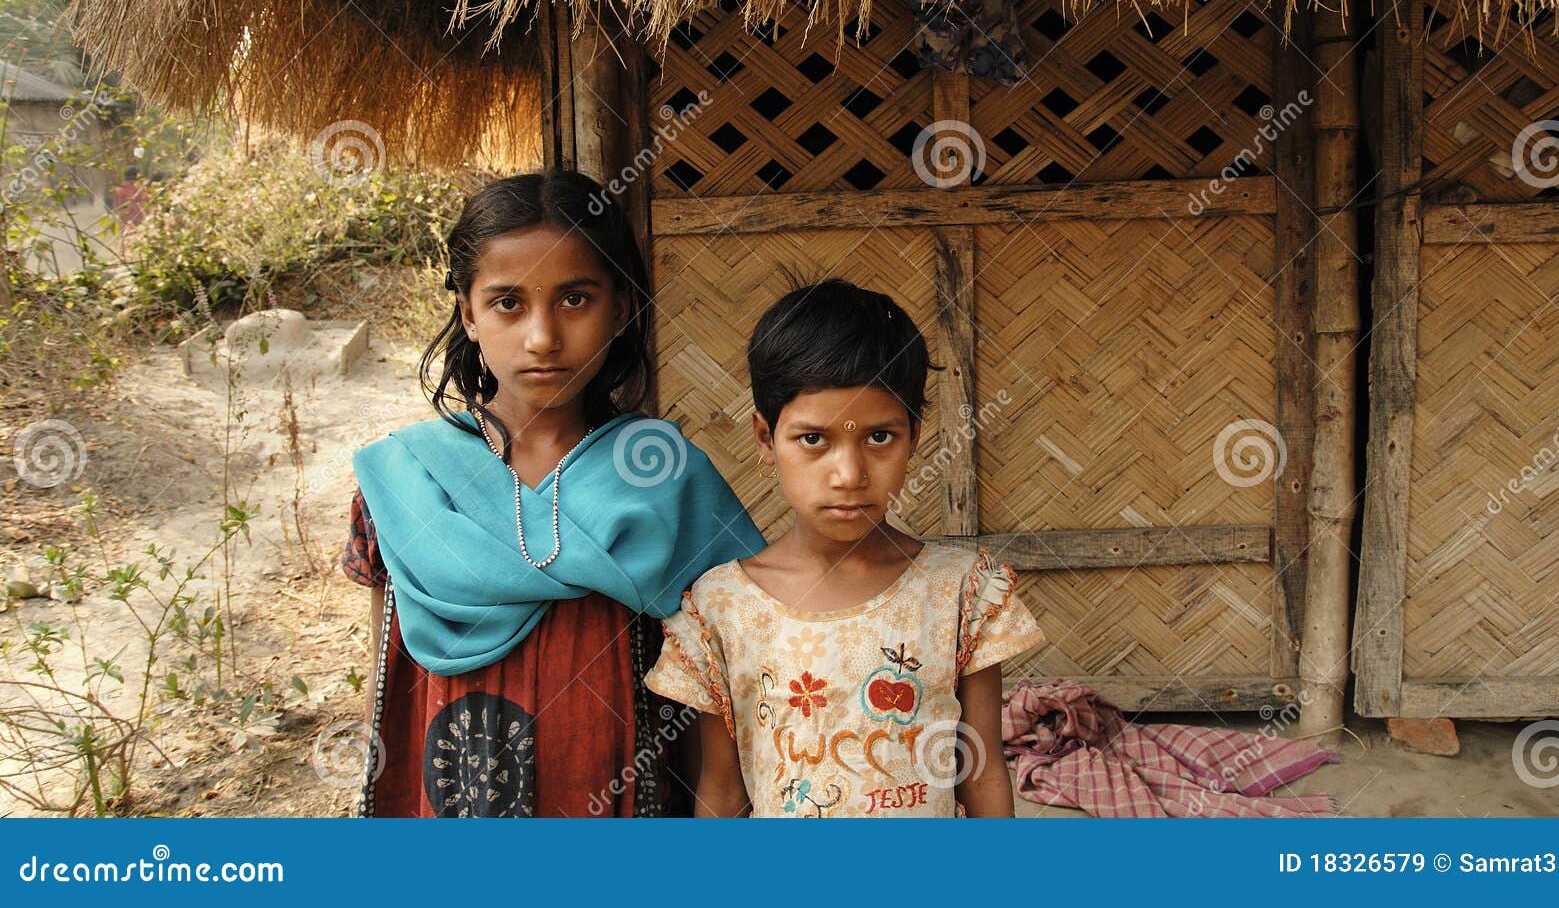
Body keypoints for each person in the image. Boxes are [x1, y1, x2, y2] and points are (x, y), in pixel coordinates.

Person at [342, 169, 764, 817]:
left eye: (574, 299)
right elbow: (388, 676)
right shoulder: (407, 481)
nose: (542, 336)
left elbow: (727, 671)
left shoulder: (668, 480)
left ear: (619, 309)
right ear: (469, 314)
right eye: (508, 302)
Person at [645, 278, 1045, 817]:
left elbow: (983, 772)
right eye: (814, 439)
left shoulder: (963, 592)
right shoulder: (720, 609)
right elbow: (722, 790)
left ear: (915, 435)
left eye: (879, 437)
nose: (850, 474)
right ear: (765, 438)